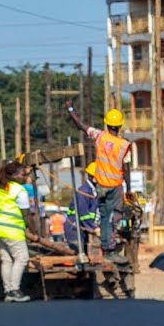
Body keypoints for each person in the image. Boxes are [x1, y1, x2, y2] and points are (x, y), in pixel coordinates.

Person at [66, 103, 130, 263]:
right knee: (113, 218)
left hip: (101, 185)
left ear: (107, 124)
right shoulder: (124, 145)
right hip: (115, 186)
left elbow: (82, 126)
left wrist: (71, 110)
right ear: (120, 125)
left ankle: (106, 247)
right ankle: (109, 250)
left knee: (104, 217)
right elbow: (126, 168)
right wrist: (128, 189)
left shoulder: (100, 136)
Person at [0, 161, 36, 302]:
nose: (25, 177)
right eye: (23, 174)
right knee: (22, 258)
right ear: (14, 175)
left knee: (7, 260)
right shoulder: (20, 190)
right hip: (12, 230)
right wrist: (34, 230)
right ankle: (15, 290)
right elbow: (26, 213)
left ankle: (8, 291)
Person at [63, 162, 99, 252]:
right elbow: (84, 214)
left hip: (82, 229)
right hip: (75, 229)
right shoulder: (84, 191)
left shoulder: (93, 191)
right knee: (79, 256)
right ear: (94, 177)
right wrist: (93, 228)